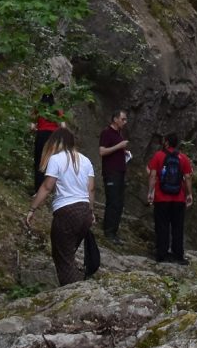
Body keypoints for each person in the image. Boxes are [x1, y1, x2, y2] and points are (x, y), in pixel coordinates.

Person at [25, 126, 95, 286]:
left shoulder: (56, 159)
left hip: (66, 212)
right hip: (84, 212)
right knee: (68, 254)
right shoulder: (86, 161)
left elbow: (47, 187)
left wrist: (32, 209)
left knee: (63, 258)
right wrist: (91, 213)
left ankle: (76, 293)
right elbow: (91, 189)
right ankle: (79, 287)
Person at [147, 131, 193, 264]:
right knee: (178, 227)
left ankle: (162, 254)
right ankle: (178, 255)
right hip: (178, 198)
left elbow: (153, 175)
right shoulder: (183, 158)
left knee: (162, 226)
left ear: (166, 142)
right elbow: (188, 177)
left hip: (161, 198)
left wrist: (150, 192)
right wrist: (189, 194)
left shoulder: (158, 156)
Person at [98, 108, 131, 245]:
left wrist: (124, 153)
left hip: (120, 171)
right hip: (111, 172)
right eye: (123, 119)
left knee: (119, 203)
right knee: (112, 202)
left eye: (125, 119)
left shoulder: (119, 134)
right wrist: (119, 146)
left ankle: (114, 232)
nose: (125, 122)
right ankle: (109, 232)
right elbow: (102, 151)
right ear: (115, 119)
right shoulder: (107, 132)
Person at [32, 93, 61, 191]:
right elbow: (63, 126)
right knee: (51, 163)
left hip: (41, 135)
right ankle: (49, 189)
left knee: (39, 163)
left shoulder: (38, 109)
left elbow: (32, 126)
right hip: (53, 138)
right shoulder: (58, 110)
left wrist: (37, 128)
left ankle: (38, 190)